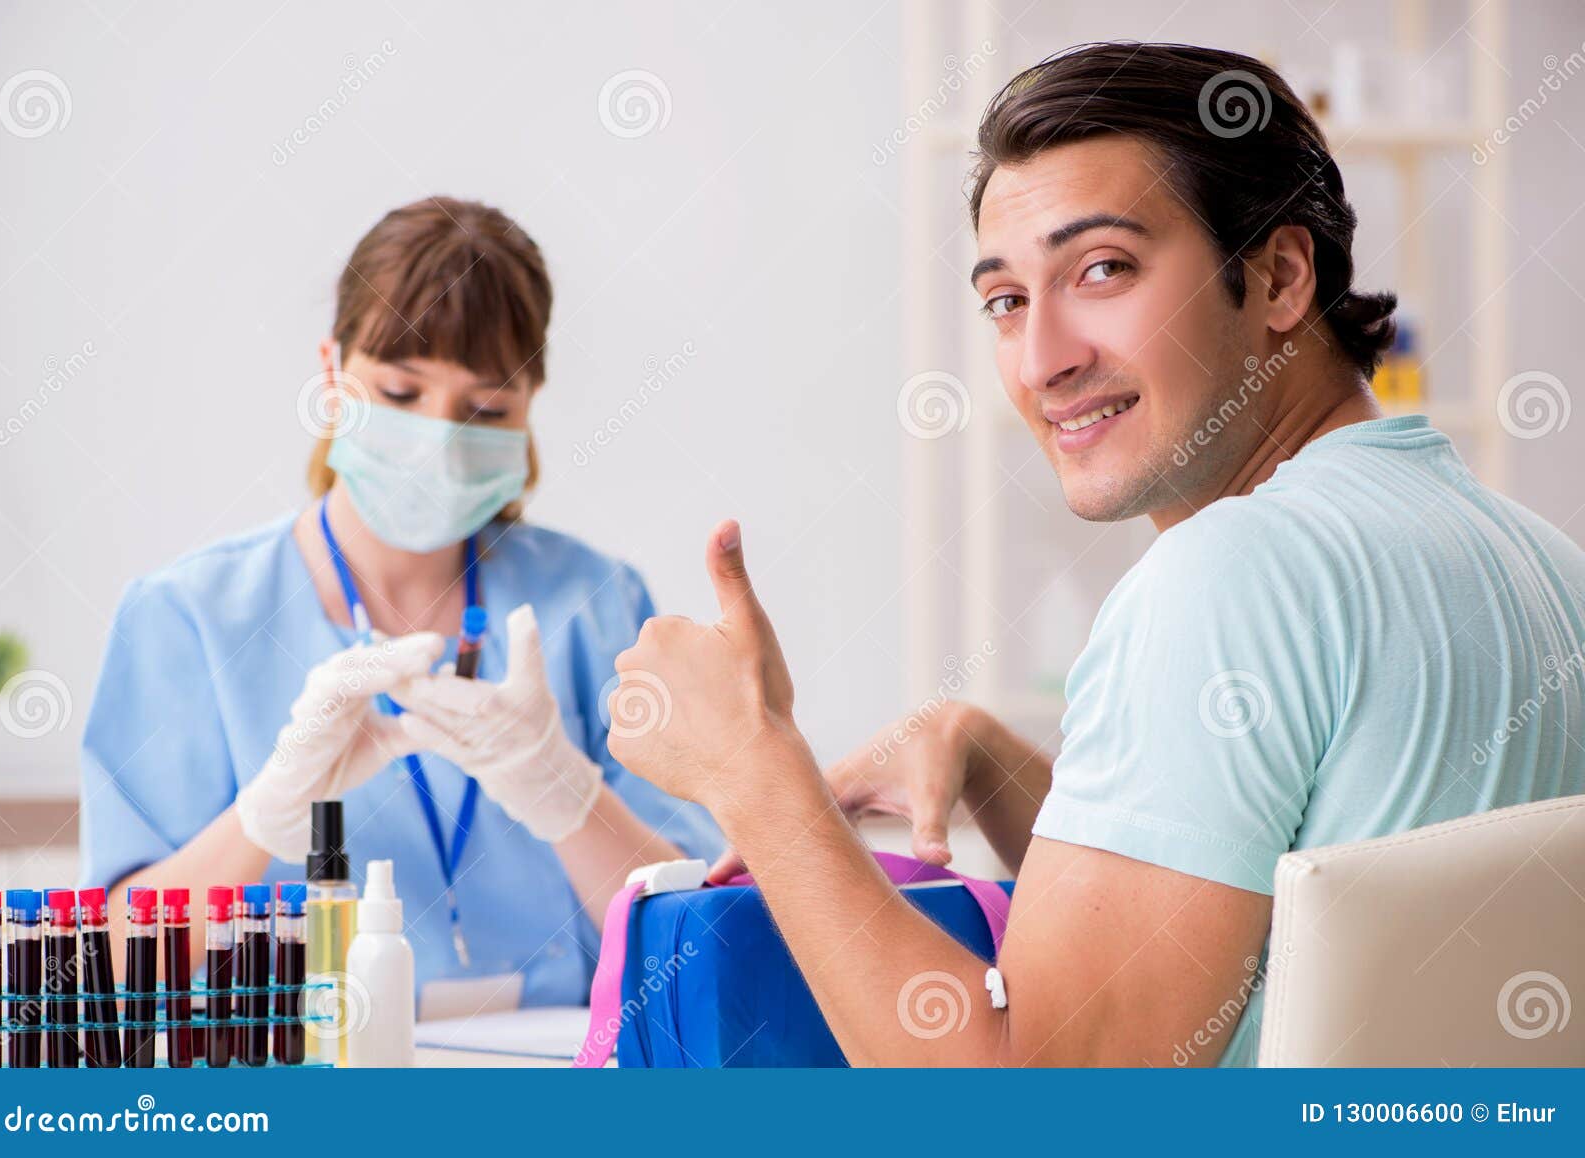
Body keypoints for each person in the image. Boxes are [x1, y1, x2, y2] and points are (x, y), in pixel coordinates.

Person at [603, 43, 1585, 1065]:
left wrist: (755, 772)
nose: (1043, 361)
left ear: (1279, 277)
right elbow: (1226, 927)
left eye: (1103, 269)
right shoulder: (1529, 558)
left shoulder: (1232, 578)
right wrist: (986, 754)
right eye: (1006, 301)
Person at [79, 196, 720, 1004]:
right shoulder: (187, 617)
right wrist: (261, 820)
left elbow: (698, 945)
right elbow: (107, 966)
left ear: (528, 411)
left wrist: (567, 796)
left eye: (486, 410)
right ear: (331, 373)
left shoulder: (595, 604)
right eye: (401, 392)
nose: (440, 441)